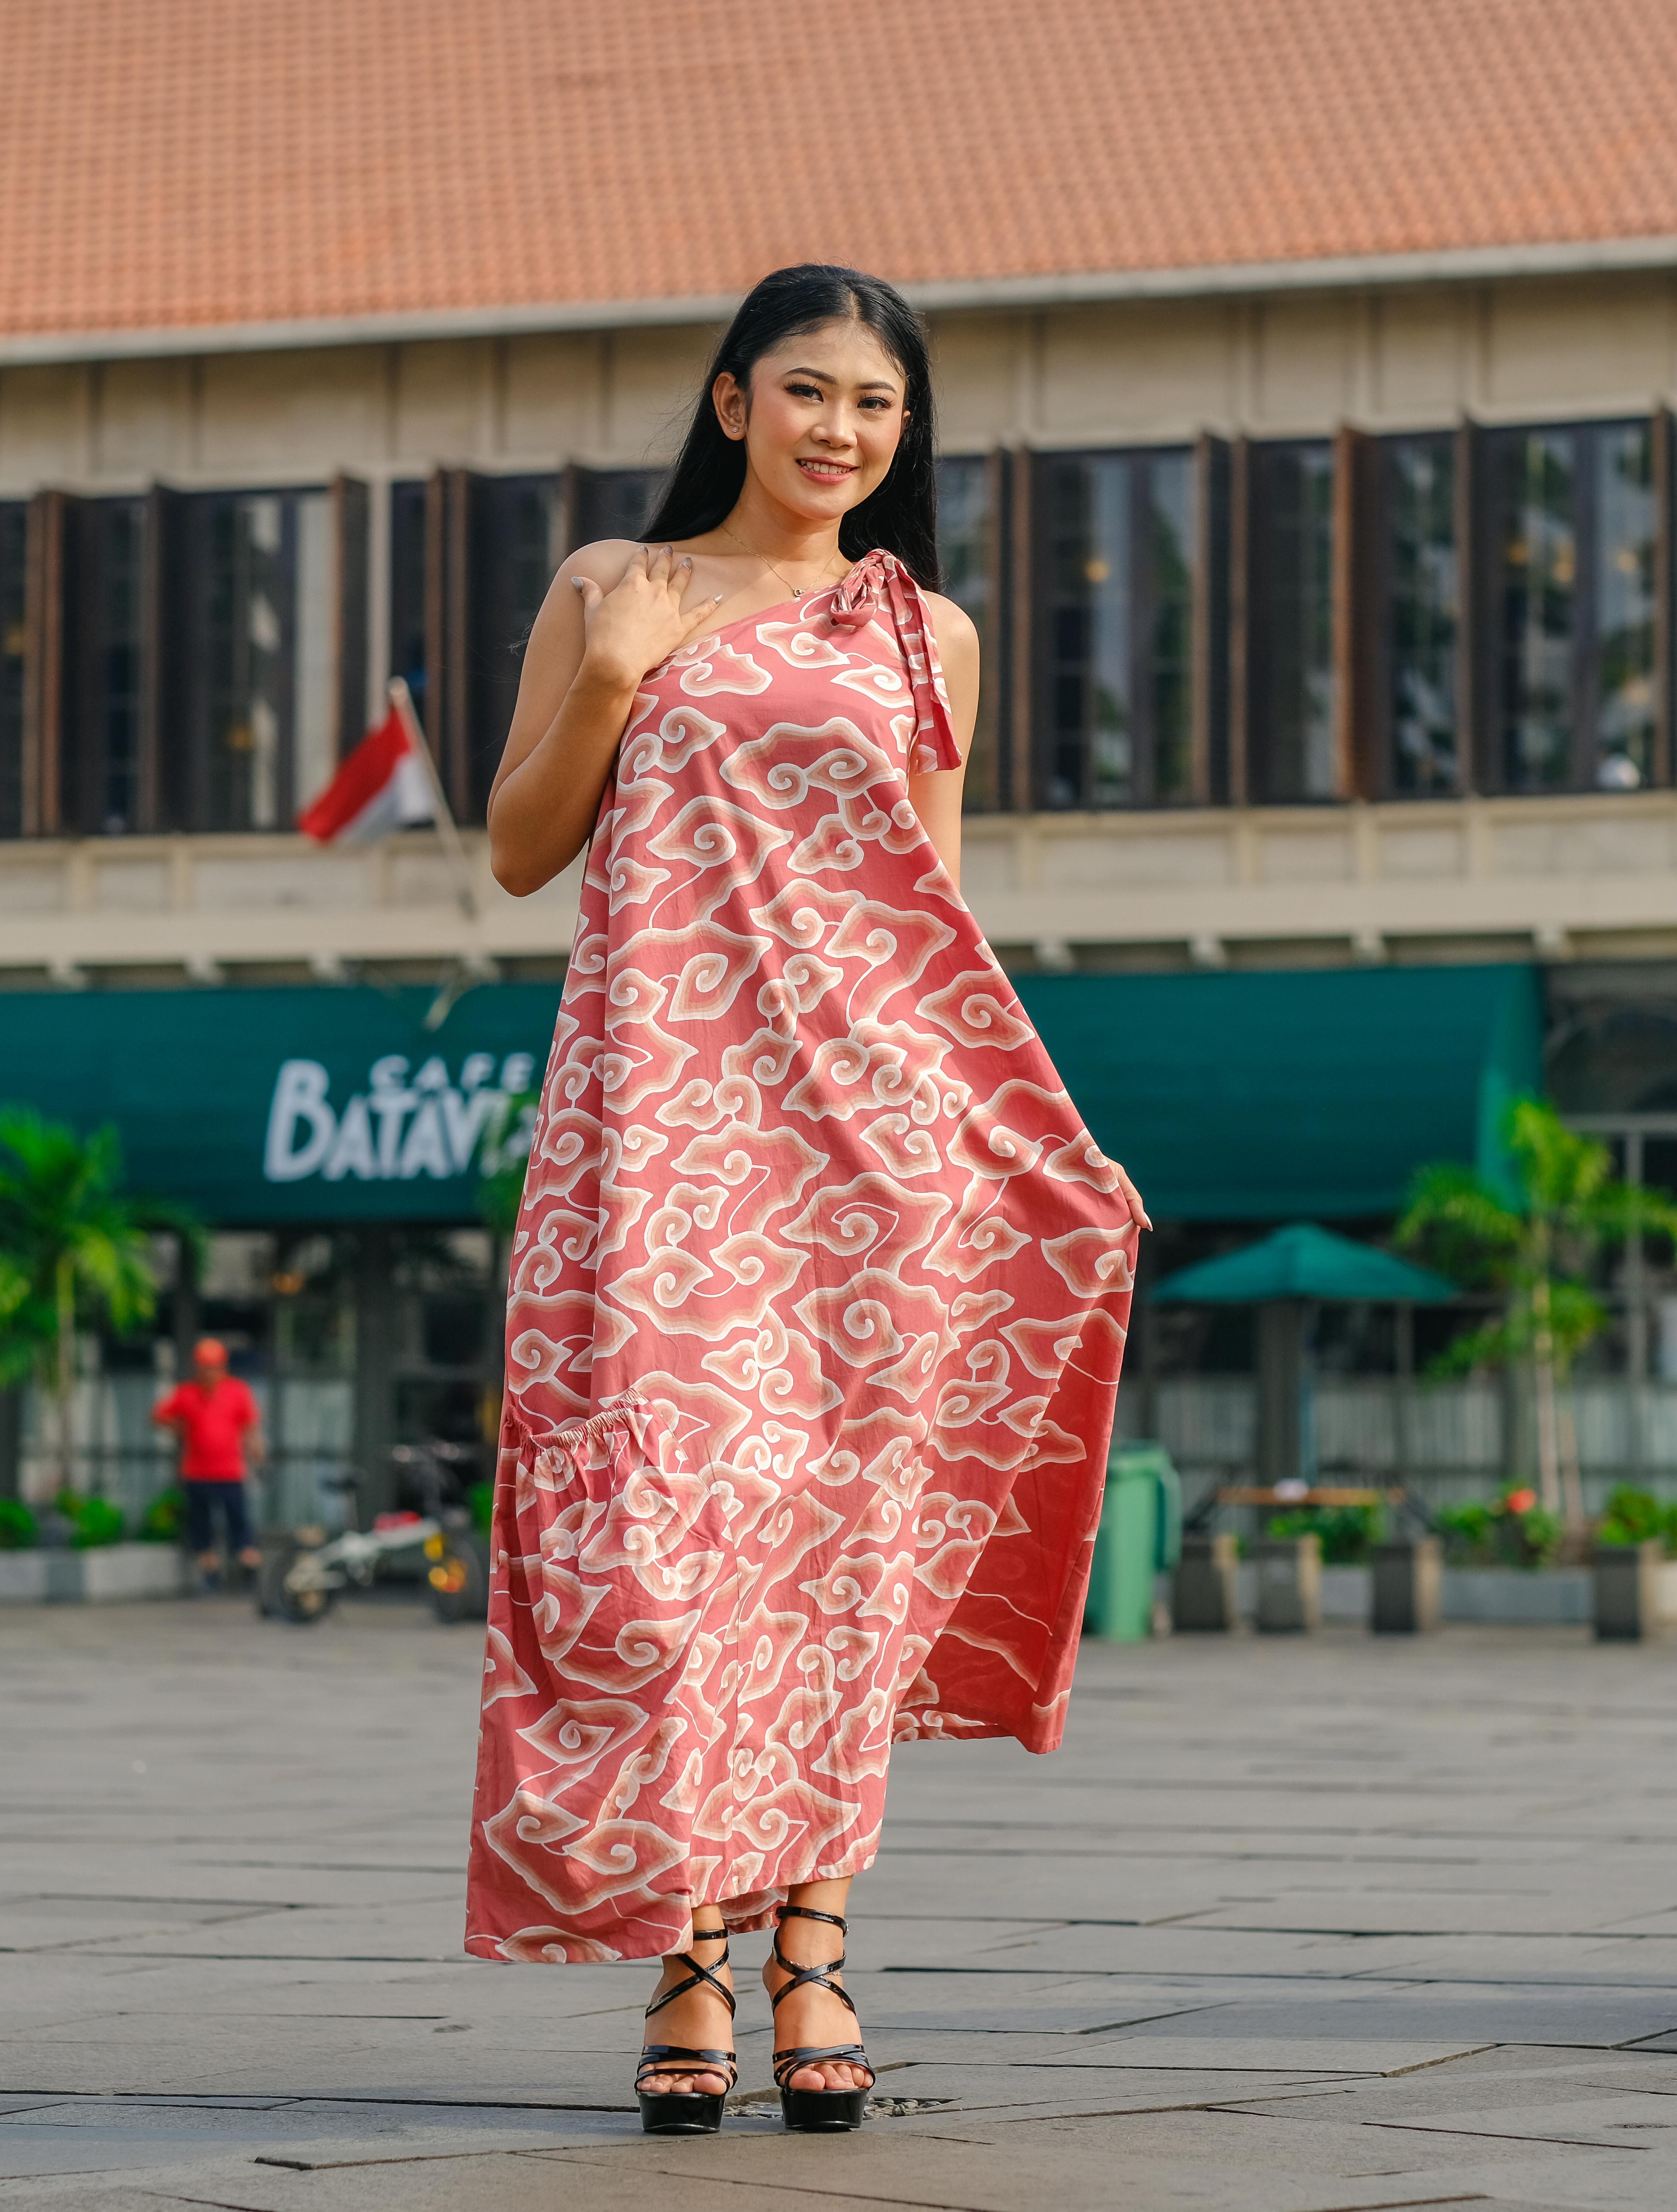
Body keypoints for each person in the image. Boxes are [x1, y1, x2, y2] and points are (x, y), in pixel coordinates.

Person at [464, 264, 1147, 2136]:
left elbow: (936, 918)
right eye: (807, 388)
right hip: (664, 1138)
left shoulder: (932, 631)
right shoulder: (616, 584)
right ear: (728, 399)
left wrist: (1032, 1135)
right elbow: (522, 851)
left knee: (842, 1552)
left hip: (877, 1149)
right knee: (671, 1549)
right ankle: (689, 1941)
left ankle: (813, 1940)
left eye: (877, 400)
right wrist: (613, 678)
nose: (840, 426)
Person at [152, 1337, 265, 1588]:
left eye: (214, 1366)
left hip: (230, 1472)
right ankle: (209, 1571)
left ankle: (247, 1568)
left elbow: (250, 1424)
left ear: (223, 1367)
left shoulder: (237, 1390)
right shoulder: (187, 1393)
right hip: (197, 1472)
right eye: (205, 1367)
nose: (210, 1372)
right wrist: (179, 1427)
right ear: (198, 1367)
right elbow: (158, 1415)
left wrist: (256, 1446)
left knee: (239, 1521)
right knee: (201, 1526)